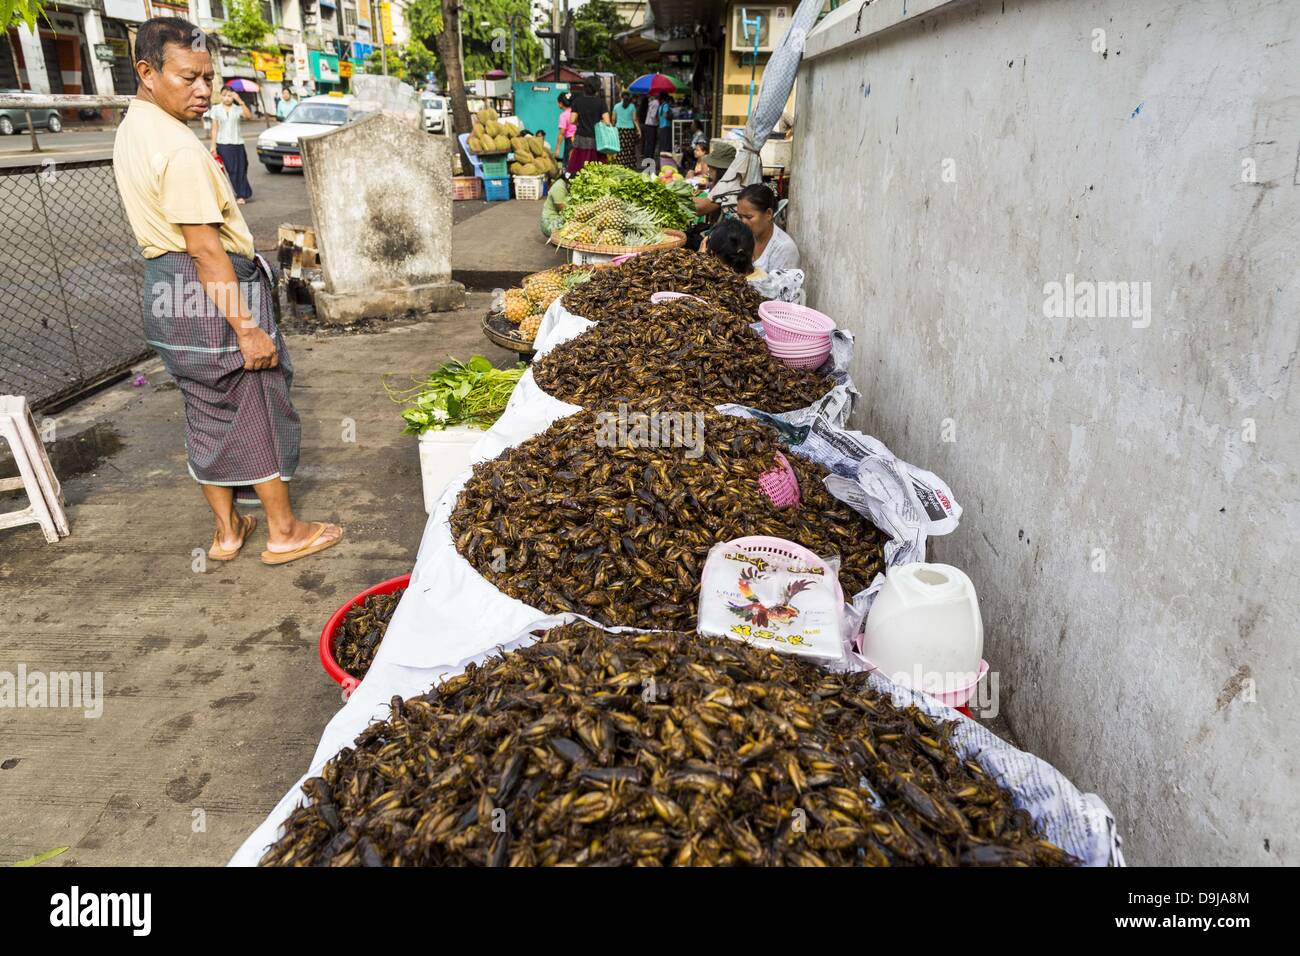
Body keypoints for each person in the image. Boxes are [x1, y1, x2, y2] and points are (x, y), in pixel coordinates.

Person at [112, 17, 342, 565]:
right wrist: (247, 328)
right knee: (253, 403)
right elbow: (206, 251)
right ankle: (283, 531)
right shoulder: (180, 150)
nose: (202, 91)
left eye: (208, 78)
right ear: (147, 73)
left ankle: (227, 531)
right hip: (208, 291)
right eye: (187, 77)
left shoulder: (133, 129)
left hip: (167, 291)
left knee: (203, 407)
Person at [703, 217, 804, 303]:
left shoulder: (719, 291)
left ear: (716, 258)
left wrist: (700, 261)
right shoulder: (764, 280)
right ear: (752, 251)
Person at [736, 183, 799, 271]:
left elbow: (780, 284)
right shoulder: (744, 238)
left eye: (749, 217)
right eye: (740, 217)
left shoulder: (784, 249)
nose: (743, 222)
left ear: (768, 214)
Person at [208, 85, 252, 204]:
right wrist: (213, 145)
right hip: (223, 143)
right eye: (224, 95)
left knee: (242, 168)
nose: (227, 98)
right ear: (221, 96)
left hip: (238, 143)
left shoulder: (237, 108)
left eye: (229, 96)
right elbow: (215, 128)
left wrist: (239, 100)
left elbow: (248, 116)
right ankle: (241, 194)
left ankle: (243, 191)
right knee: (232, 170)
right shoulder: (216, 109)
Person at [566, 76, 611, 174]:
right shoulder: (601, 102)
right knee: (597, 170)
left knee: (578, 167)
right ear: (597, 88)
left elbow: (572, 120)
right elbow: (607, 122)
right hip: (597, 140)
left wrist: (580, 122)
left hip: (580, 138)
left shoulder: (577, 101)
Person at [692, 140, 741, 218]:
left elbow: (700, 209)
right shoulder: (730, 179)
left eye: (711, 168)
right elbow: (706, 200)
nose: (708, 170)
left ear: (719, 170)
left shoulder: (726, 185)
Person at [612, 90, 639, 169]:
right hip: (630, 130)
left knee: (620, 148)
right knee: (630, 148)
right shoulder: (632, 106)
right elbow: (634, 119)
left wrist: (613, 127)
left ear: (621, 97)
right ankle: (630, 165)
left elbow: (613, 119)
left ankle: (620, 165)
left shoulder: (616, 106)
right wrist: (639, 130)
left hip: (619, 130)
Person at [554, 92, 575, 165]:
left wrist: (557, 148)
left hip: (569, 141)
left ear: (560, 103)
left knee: (568, 164)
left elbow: (561, 133)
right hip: (578, 139)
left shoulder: (563, 115)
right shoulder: (575, 112)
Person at [656, 92, 673, 168]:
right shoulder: (665, 105)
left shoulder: (660, 106)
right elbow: (666, 115)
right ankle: (665, 164)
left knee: (662, 146)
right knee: (666, 147)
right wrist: (671, 116)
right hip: (666, 127)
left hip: (661, 127)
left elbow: (657, 117)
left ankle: (660, 164)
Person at [642, 92, 659, 165]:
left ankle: (647, 160)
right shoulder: (656, 103)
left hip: (648, 124)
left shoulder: (651, 102)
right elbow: (653, 115)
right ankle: (650, 161)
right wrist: (659, 120)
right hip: (652, 125)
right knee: (651, 144)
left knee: (648, 143)